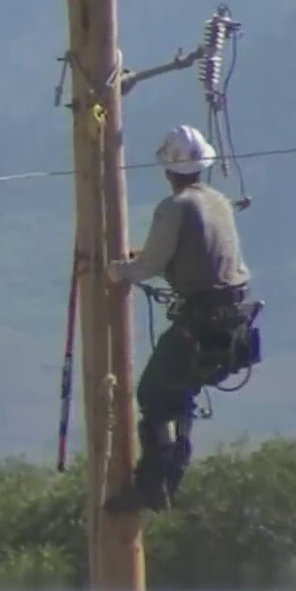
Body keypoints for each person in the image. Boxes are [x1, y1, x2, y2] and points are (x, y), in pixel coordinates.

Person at [106, 124, 258, 513]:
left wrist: (118, 271)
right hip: (233, 324)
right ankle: (172, 476)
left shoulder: (174, 207)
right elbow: (193, 254)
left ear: (168, 170)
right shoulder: (218, 202)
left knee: (153, 394)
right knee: (181, 396)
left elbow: (151, 266)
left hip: (201, 321)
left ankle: (152, 484)